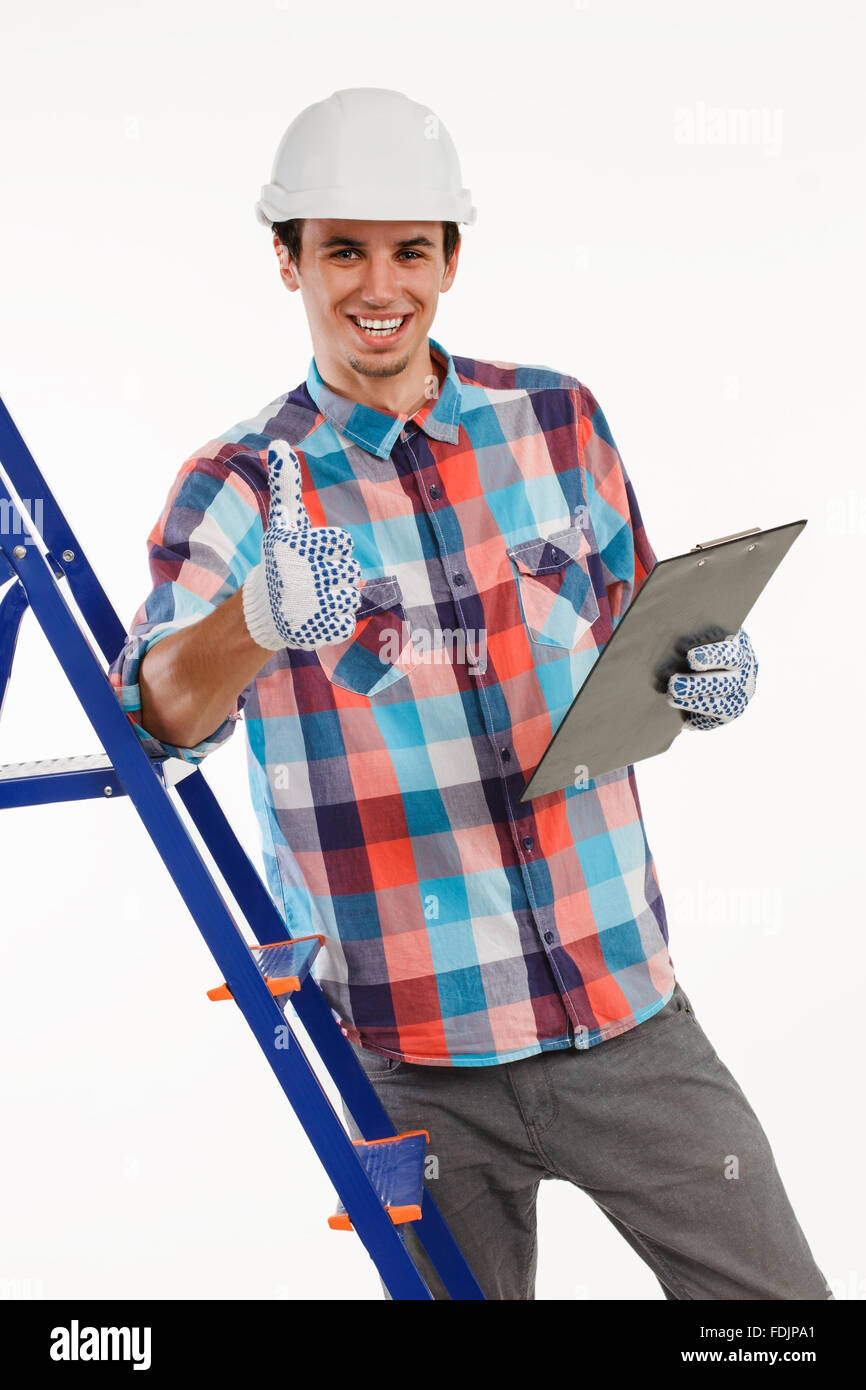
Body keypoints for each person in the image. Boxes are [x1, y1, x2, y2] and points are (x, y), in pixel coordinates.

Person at [108, 87, 831, 1301]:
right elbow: (156, 713)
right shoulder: (238, 485)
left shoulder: (557, 420)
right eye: (341, 249)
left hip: (625, 1012)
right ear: (286, 261)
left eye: (407, 250)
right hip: (411, 1062)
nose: (376, 285)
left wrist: (699, 672)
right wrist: (260, 616)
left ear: (449, 258)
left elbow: (632, 629)